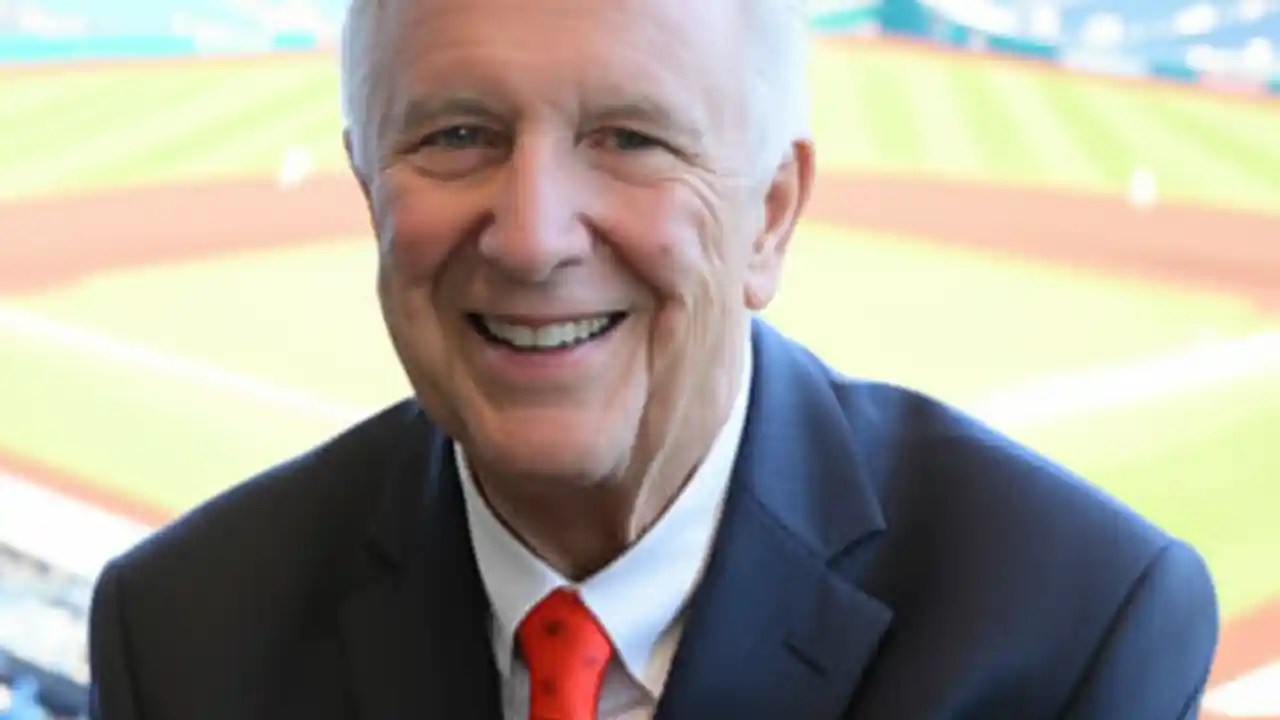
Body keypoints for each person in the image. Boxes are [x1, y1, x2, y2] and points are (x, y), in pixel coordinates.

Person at [87, 0, 1219, 717]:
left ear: (768, 217)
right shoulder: (186, 634)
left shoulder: (1066, 629)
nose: (531, 236)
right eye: (455, 136)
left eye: (628, 138)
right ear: (366, 188)